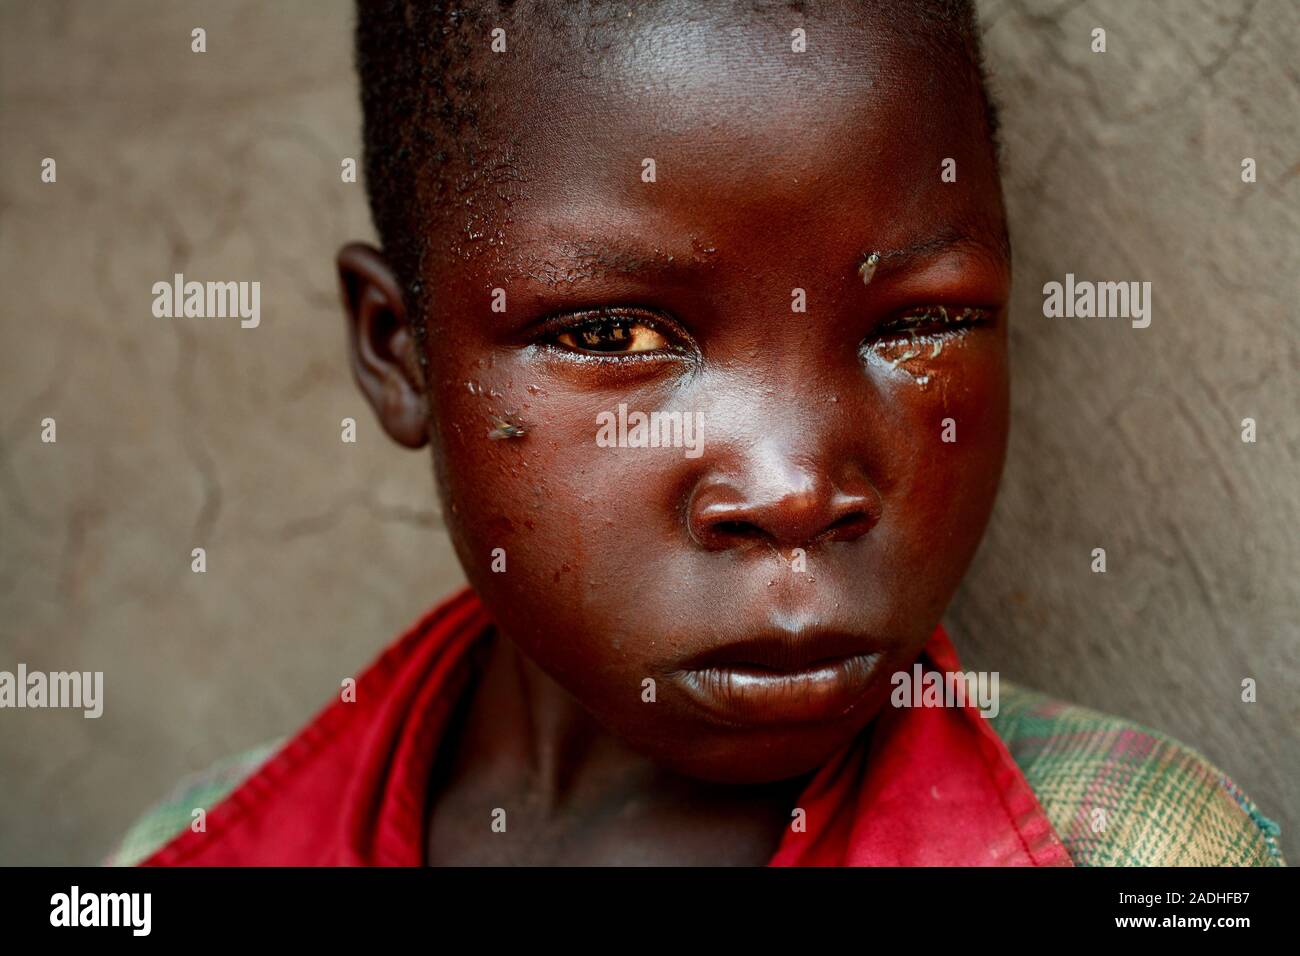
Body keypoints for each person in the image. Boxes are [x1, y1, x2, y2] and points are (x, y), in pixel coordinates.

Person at [109, 0, 1283, 867]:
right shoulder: (185, 855)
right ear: (397, 349)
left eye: (920, 322)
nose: (792, 488)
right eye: (616, 336)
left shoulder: (1140, 852)